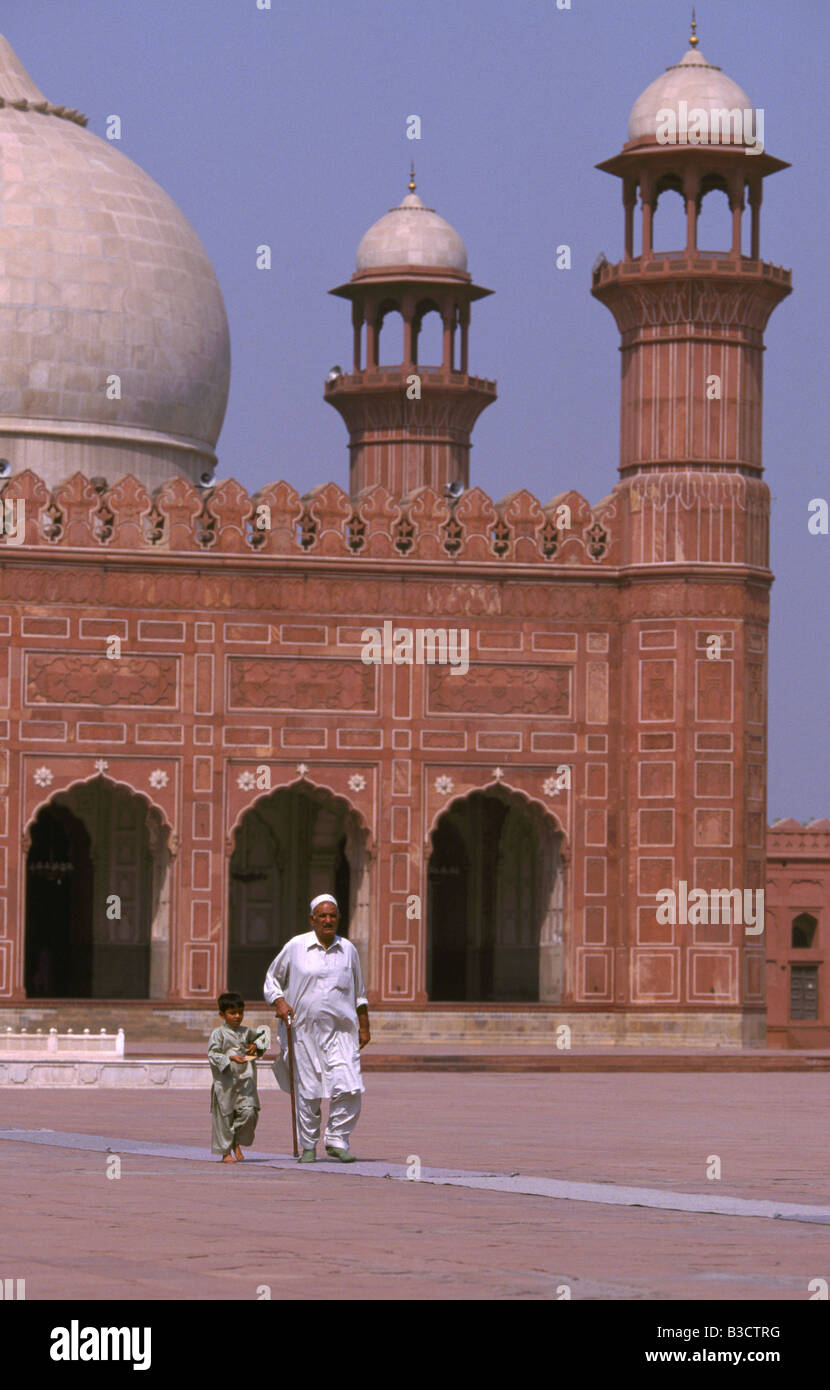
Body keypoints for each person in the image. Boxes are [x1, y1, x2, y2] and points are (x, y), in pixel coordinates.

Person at [263, 894, 370, 1163]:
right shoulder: (296, 946)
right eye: (322, 915)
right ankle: (308, 1145)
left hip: (342, 1032)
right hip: (303, 1032)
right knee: (309, 1092)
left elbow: (359, 992)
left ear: (338, 918)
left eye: (332, 915)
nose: (327, 920)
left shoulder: (348, 949)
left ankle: (336, 1140)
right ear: (312, 919)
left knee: (349, 1087)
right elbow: (272, 979)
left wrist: (365, 1026)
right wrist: (280, 1001)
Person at [208, 991, 269, 1163]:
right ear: (222, 1014)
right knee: (224, 1118)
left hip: (245, 1083)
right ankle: (226, 1152)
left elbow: (264, 1040)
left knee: (249, 1113)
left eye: (240, 1012)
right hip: (225, 1083)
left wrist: (255, 1047)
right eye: (232, 1013)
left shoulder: (246, 1032)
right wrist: (229, 1058)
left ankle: (236, 1140)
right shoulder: (218, 1034)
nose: (237, 1016)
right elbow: (212, 1054)